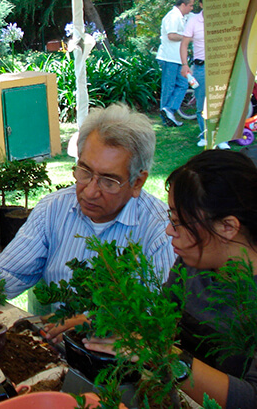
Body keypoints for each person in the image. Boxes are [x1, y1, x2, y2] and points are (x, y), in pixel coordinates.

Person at [85, 149, 257, 408]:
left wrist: (166, 357)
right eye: (171, 218)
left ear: (227, 227)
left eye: (178, 222)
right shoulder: (193, 265)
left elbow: (251, 399)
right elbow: (161, 328)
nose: (168, 230)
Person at [0, 103, 175, 334]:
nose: (89, 191)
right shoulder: (54, 208)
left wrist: (91, 323)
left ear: (137, 182)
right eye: (84, 172)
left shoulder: (161, 232)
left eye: (108, 181)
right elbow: (10, 272)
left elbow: (158, 319)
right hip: (49, 347)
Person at [179, 0, 230, 150]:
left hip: (219, 66)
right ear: (201, 4)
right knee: (201, 104)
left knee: (220, 102)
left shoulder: (221, 19)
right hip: (200, 67)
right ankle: (205, 135)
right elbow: (184, 44)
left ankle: (222, 138)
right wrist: (185, 65)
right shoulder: (194, 21)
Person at [157, 0, 195, 128]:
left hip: (178, 58)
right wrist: (187, 38)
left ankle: (169, 110)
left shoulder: (183, 16)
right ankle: (166, 117)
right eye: (190, 5)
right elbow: (172, 35)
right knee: (169, 86)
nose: (192, 8)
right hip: (169, 57)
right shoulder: (173, 17)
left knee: (183, 84)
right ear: (183, 4)